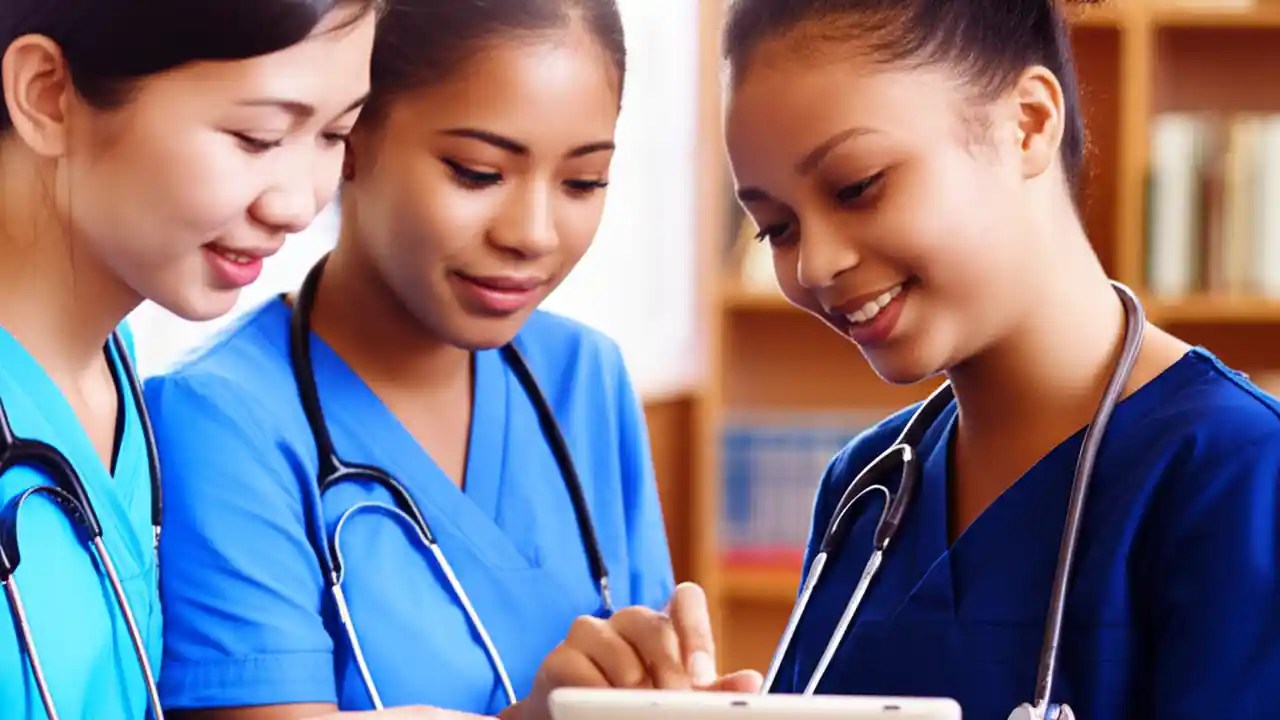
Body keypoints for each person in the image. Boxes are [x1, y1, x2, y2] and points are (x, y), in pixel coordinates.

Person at [144, 2, 753, 719]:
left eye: (583, 182)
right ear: (349, 136)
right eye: (478, 172)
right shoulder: (218, 419)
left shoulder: (585, 378)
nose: (533, 234)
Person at [715, 0, 1280, 717]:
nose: (814, 266)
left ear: (1029, 123)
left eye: (857, 186)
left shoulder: (1241, 475)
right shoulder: (863, 487)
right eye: (777, 228)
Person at [0, 1, 378, 717]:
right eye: (257, 138)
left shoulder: (110, 372)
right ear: (48, 94)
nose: (299, 207)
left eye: (336, 134)